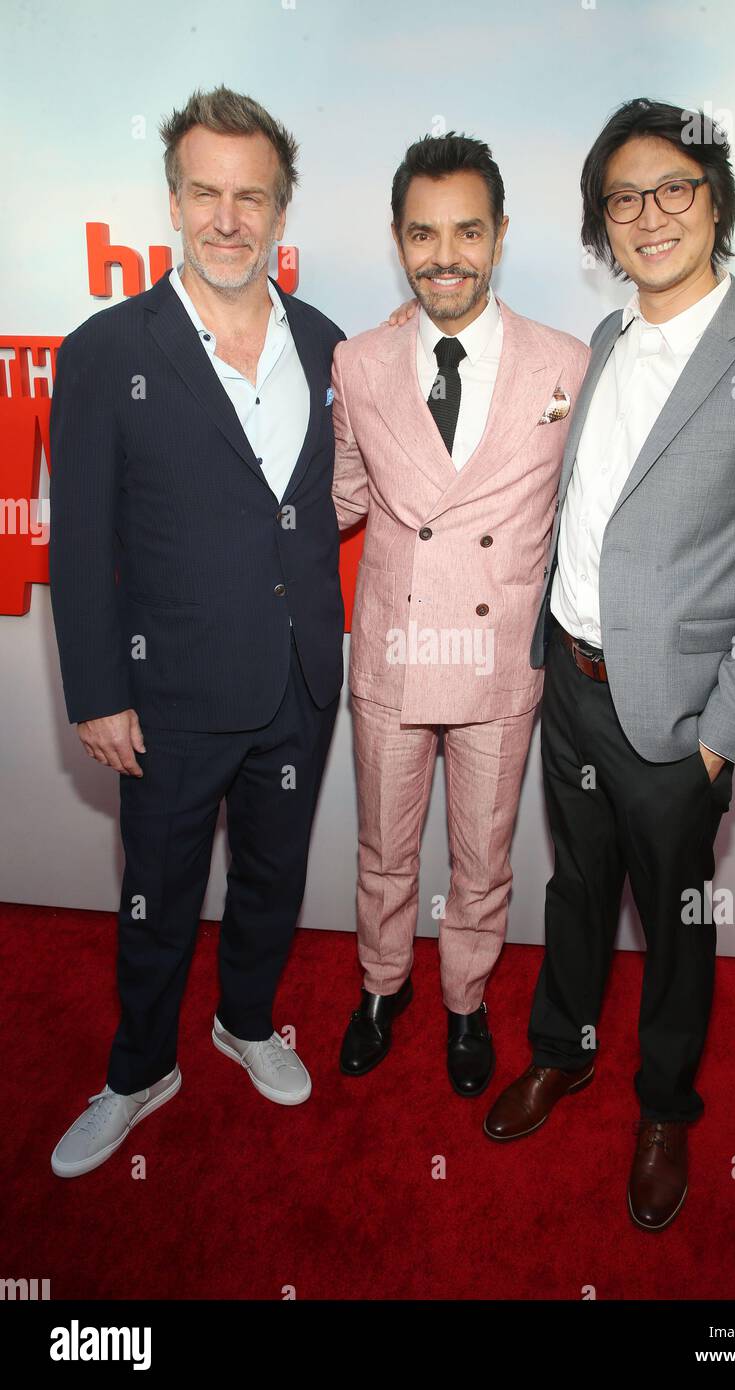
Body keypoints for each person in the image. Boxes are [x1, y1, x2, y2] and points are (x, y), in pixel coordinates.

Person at [483, 98, 735, 1231]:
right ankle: (564, 1050)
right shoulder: (601, 343)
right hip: (572, 687)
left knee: (675, 916)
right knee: (576, 887)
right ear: (602, 226)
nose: (649, 216)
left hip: (675, 719)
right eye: (623, 198)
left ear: (717, 200)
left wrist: (720, 734)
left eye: (673, 188)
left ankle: (664, 1104)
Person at [48, 86, 345, 1177]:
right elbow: (78, 543)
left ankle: (246, 1023)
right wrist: (94, 688)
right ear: (173, 200)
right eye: (207, 193)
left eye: (251, 197)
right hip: (163, 689)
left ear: (279, 209)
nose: (229, 218)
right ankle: (139, 1070)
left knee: (273, 878)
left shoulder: (326, 345)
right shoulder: (103, 350)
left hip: (301, 677)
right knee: (157, 893)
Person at [331, 133, 589, 1096]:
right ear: (399, 239)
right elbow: (344, 496)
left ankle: (466, 1002)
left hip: (496, 664)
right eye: (424, 233)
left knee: (481, 861)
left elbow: (590, 504)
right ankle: (380, 987)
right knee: (385, 849)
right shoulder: (358, 364)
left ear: (502, 236)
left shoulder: (566, 364)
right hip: (395, 655)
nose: (446, 254)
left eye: (468, 231)